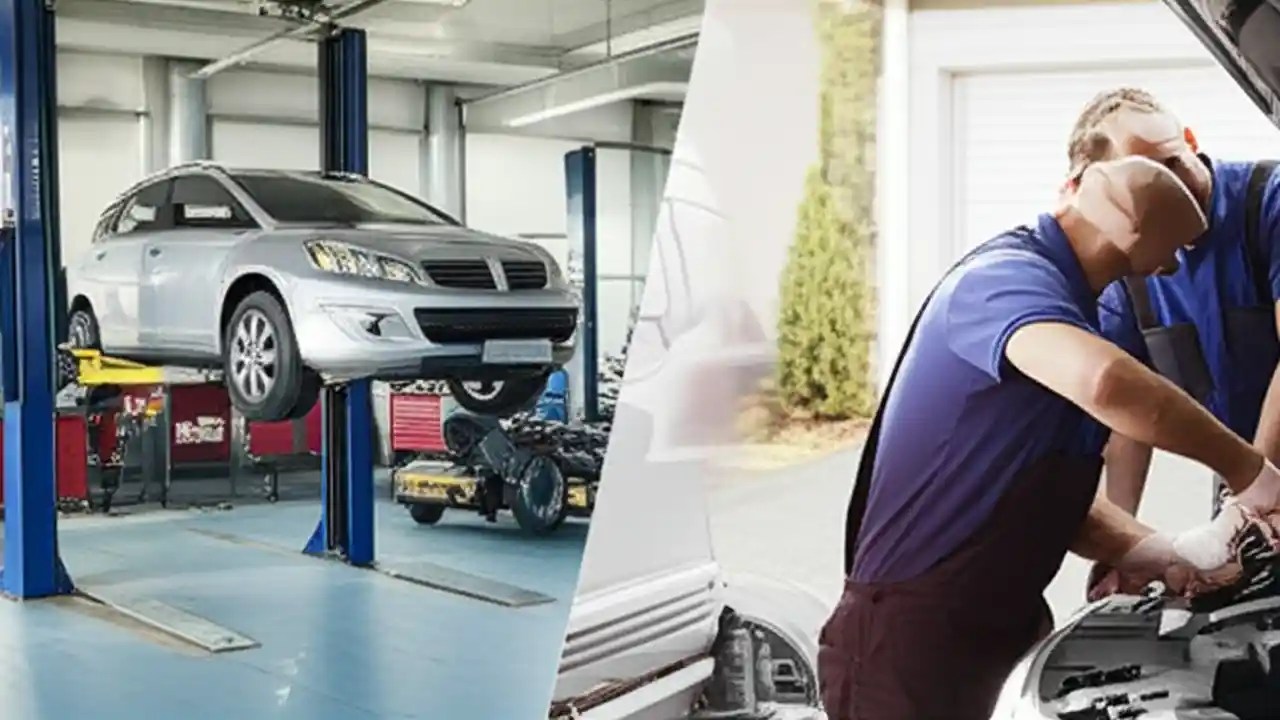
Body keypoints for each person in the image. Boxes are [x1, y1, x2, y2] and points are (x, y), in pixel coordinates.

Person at [818, 155, 1280, 720]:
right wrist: (1251, 474)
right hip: (908, 646)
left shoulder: (1074, 310)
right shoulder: (1001, 281)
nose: (1172, 268)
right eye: (1174, 250)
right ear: (1135, 236)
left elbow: (1036, 491)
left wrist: (1160, 552)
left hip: (1001, 633)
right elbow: (1107, 382)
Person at [1065, 88, 1280, 594]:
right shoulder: (1128, 265)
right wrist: (1124, 548)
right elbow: (1128, 417)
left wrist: (1250, 503)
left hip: (1255, 482)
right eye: (1150, 177)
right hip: (1246, 486)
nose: (1175, 187)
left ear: (1189, 139)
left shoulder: (1268, 202)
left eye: (1174, 162)